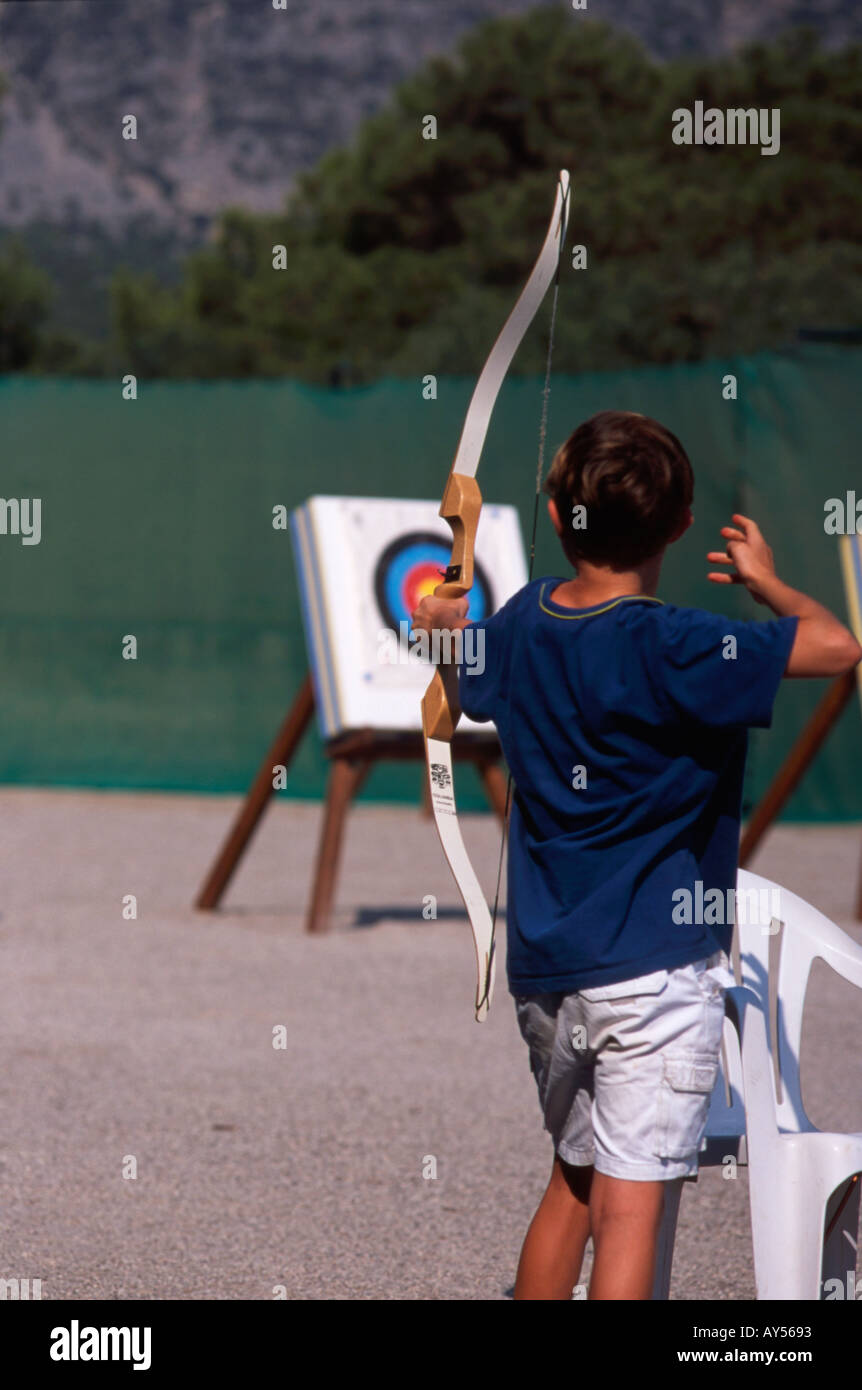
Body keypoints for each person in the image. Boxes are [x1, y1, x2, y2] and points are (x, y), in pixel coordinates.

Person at [411, 410, 862, 1301]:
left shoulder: (522, 623)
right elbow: (841, 646)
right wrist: (770, 584)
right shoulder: (686, 643)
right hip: (652, 978)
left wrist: (434, 622)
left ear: (552, 511)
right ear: (683, 525)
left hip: (550, 977)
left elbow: (460, 686)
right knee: (630, 1213)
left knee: (573, 1185)